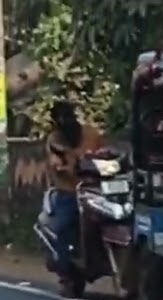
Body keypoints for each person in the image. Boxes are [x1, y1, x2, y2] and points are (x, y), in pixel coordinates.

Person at [46, 100, 105, 270]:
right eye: (61, 118)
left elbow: (106, 154)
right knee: (63, 226)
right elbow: (56, 164)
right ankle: (66, 271)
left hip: (96, 190)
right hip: (70, 192)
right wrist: (64, 167)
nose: (66, 121)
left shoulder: (92, 134)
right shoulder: (55, 140)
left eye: (68, 116)